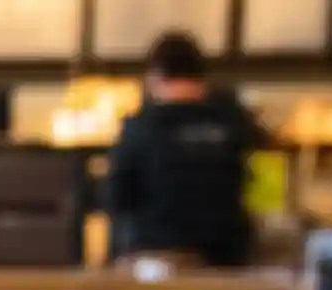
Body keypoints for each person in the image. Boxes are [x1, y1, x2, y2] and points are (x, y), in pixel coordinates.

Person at [109, 32, 264, 267]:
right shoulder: (234, 122)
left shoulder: (140, 128)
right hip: (225, 260)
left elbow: (116, 197)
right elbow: (255, 184)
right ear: (202, 77)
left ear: (155, 77)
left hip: (156, 257)